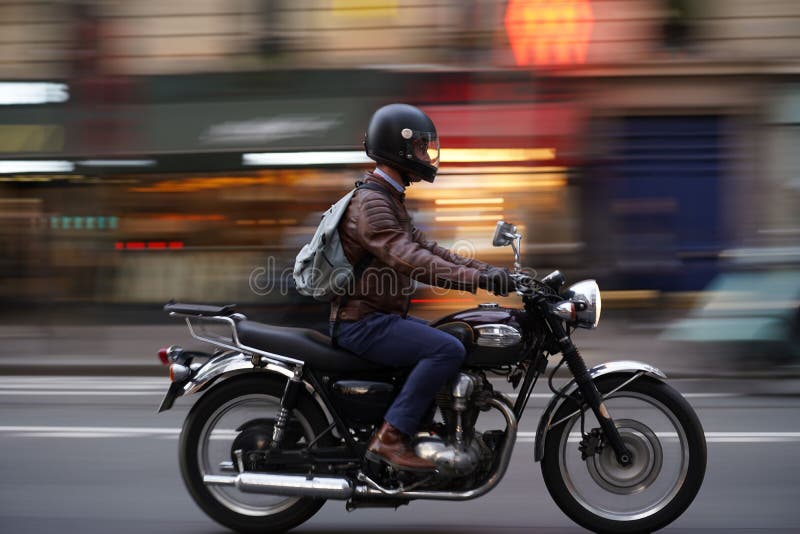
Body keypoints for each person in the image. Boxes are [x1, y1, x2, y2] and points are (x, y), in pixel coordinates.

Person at [331, 103, 512, 472]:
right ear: (398, 148)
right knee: (445, 349)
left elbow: (429, 249)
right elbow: (409, 258)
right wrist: (477, 281)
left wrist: (489, 271)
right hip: (363, 323)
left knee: (454, 337)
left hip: (379, 317)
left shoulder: (386, 198)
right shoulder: (372, 203)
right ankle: (390, 438)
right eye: (420, 148)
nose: (426, 156)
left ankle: (421, 423)